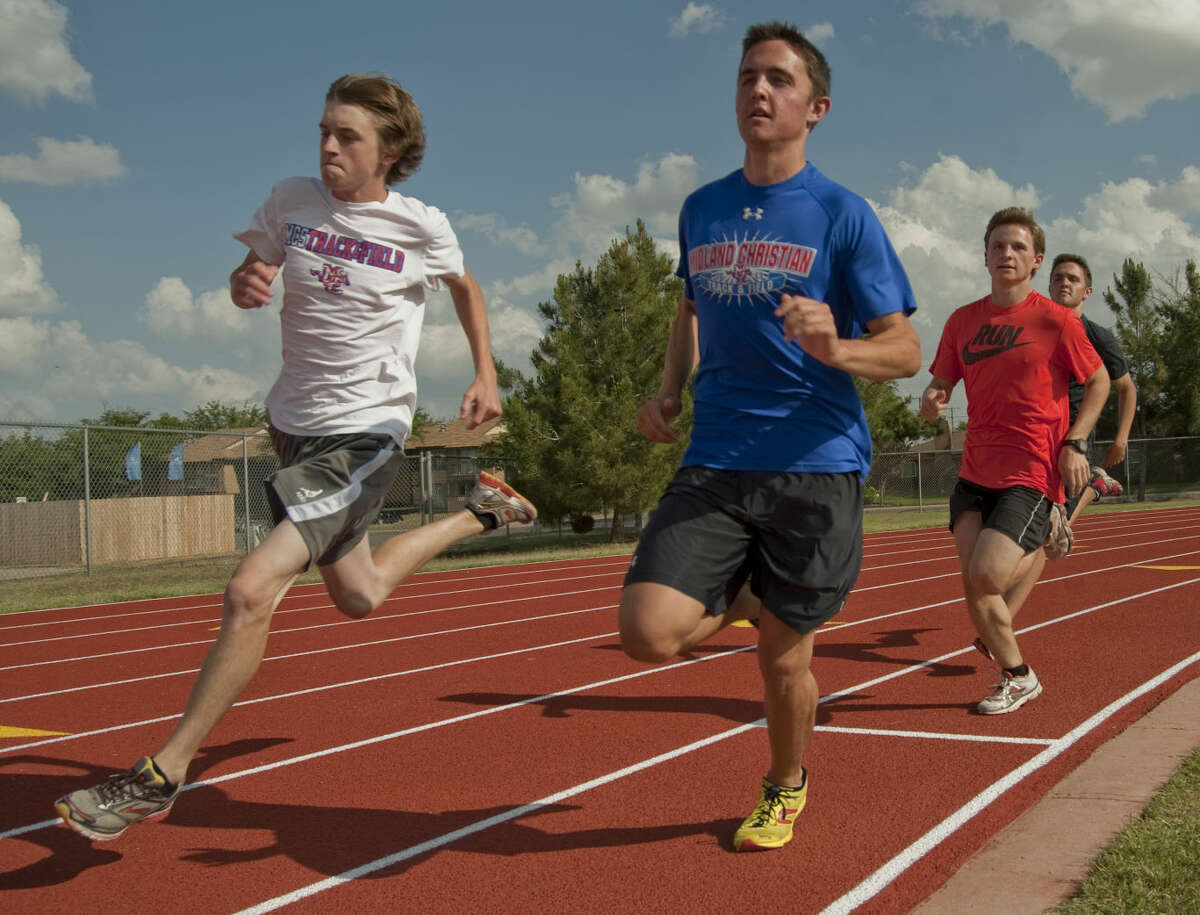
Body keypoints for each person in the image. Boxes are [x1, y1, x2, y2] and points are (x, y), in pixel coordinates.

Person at [54, 74, 536, 840]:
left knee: (251, 590)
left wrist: (486, 370)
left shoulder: (420, 225)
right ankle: (483, 512)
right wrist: (245, 284)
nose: (329, 146)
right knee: (360, 594)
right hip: (295, 427)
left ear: (391, 151)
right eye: (323, 130)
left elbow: (465, 286)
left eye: (347, 136)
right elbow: (251, 279)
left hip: (367, 432)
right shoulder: (289, 200)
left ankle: (161, 773)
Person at [620, 21, 921, 852]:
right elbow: (687, 308)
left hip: (813, 465)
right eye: (748, 76)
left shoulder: (842, 213)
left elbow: (904, 349)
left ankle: (785, 783)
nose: (759, 90)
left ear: (815, 107)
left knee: (785, 661)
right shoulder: (701, 208)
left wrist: (838, 346)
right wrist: (667, 389)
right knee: (646, 630)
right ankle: (755, 595)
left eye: (778, 81)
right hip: (715, 455)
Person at [920, 208, 1108, 716]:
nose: (1007, 254)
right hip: (974, 472)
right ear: (985, 255)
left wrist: (1077, 441)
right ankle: (1015, 673)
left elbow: (1099, 382)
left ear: (1035, 259)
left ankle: (1021, 676)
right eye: (998, 246)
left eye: (1017, 248)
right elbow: (941, 381)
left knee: (986, 580)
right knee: (977, 589)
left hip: (1030, 470)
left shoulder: (1057, 320)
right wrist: (933, 397)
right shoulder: (963, 320)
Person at [1047, 253, 1137, 523]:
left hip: (1076, 436)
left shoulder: (1098, 337)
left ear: (1087, 291)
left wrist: (1121, 440)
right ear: (1049, 287)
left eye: (1072, 279)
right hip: (1040, 433)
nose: (1064, 283)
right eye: (1058, 278)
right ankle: (1094, 481)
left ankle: (1094, 485)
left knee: (1057, 527)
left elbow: (1127, 389)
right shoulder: (1033, 331)